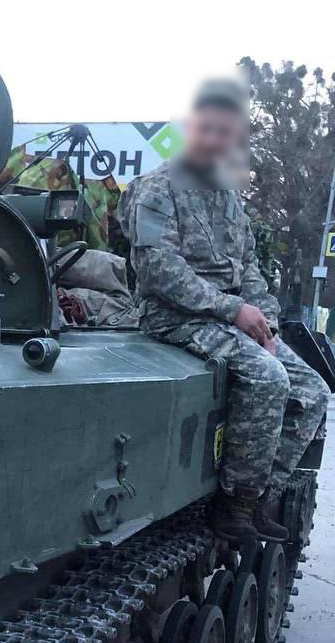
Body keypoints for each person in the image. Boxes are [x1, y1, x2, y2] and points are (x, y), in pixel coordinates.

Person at [118, 79, 330, 544]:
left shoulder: (226, 196)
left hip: (229, 318)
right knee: (268, 377)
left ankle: (257, 495)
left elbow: (248, 267)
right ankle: (232, 506)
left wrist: (266, 323)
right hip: (174, 317)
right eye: (208, 128)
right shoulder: (156, 189)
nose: (216, 140)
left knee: (313, 391)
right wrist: (233, 310)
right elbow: (158, 269)